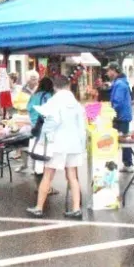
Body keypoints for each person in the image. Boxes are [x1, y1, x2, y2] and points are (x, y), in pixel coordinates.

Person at [27, 75, 87, 219]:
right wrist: (82, 145)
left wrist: (42, 139)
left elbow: (51, 122)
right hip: (74, 145)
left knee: (47, 176)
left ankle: (39, 207)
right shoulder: (76, 103)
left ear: (55, 87)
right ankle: (76, 208)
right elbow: (82, 126)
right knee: (72, 177)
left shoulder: (54, 101)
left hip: (57, 144)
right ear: (68, 86)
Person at [22, 76, 56, 177]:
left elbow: (28, 109)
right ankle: (43, 183)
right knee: (45, 153)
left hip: (35, 126)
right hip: (43, 127)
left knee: (37, 151)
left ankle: (38, 175)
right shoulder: (47, 96)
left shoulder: (34, 95)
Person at [106, 63, 134, 171]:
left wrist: (109, 113)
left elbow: (117, 103)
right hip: (121, 116)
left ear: (114, 70)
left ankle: (128, 164)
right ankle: (126, 163)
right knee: (123, 140)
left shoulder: (120, 84)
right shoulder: (119, 82)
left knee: (124, 141)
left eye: (108, 71)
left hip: (121, 117)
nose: (107, 73)